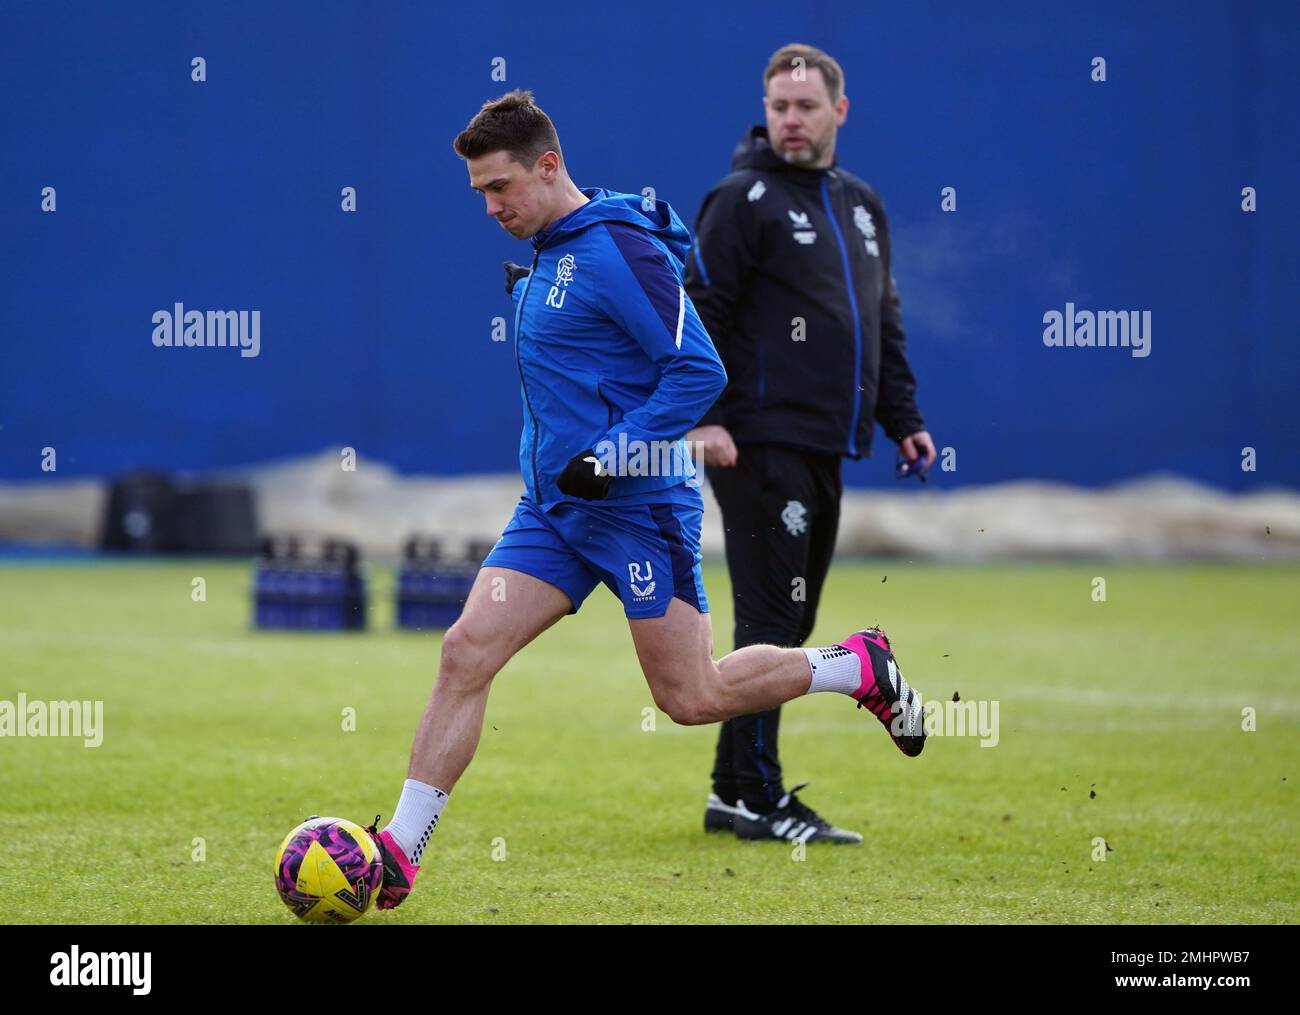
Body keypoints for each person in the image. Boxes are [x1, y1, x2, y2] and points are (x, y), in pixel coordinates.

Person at [367, 89, 926, 910]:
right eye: (479, 193)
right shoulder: (552, 248)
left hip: (639, 510)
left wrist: (617, 450)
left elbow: (700, 371)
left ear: (548, 165)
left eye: (499, 189)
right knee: (465, 650)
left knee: (690, 697)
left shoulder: (616, 250)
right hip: (553, 512)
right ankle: (398, 853)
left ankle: (852, 666)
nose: (489, 207)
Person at [684, 44, 936, 844]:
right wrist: (704, 416)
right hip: (756, 440)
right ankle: (759, 796)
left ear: (839, 111)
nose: (790, 119)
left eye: (805, 105)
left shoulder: (860, 204)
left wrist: (905, 417)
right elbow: (699, 312)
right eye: (778, 105)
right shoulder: (740, 198)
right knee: (771, 621)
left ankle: (733, 790)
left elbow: (880, 321)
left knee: (788, 621)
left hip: (827, 440)